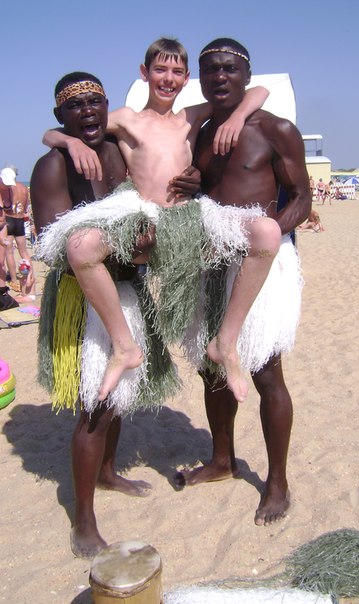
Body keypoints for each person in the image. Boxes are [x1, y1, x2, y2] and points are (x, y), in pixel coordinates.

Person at [41, 37, 280, 404]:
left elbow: (259, 91)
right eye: (160, 70)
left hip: (191, 217)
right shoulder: (126, 119)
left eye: (177, 72)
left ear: (186, 78)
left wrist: (235, 118)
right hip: (147, 217)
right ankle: (124, 346)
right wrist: (70, 144)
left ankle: (225, 342)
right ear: (145, 72)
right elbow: (52, 133)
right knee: (81, 248)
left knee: (266, 232)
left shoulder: (190, 117)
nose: (168, 78)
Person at [31, 71, 196, 560]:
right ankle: (83, 519)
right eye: (74, 106)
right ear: (59, 116)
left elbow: (148, 196)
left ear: (107, 109)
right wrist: (132, 247)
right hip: (83, 300)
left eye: (94, 102)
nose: (87, 111)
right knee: (97, 404)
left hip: (127, 289)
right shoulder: (52, 166)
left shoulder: (114, 153)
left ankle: (106, 473)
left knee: (119, 396)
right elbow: (55, 249)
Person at [176, 38, 311, 526]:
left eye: (230, 69)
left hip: (261, 266)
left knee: (267, 372)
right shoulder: (198, 133)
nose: (220, 77)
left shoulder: (276, 129)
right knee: (210, 369)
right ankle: (222, 459)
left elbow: (302, 197)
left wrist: (268, 235)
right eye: (211, 69)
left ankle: (277, 481)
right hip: (210, 262)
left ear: (247, 76)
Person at [0, 167, 35, 292]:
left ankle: (14, 280)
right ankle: (31, 275)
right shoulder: (23, 188)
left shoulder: (9, 189)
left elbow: (5, 208)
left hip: (9, 220)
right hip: (19, 221)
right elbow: (25, 208)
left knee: (9, 252)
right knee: (24, 251)